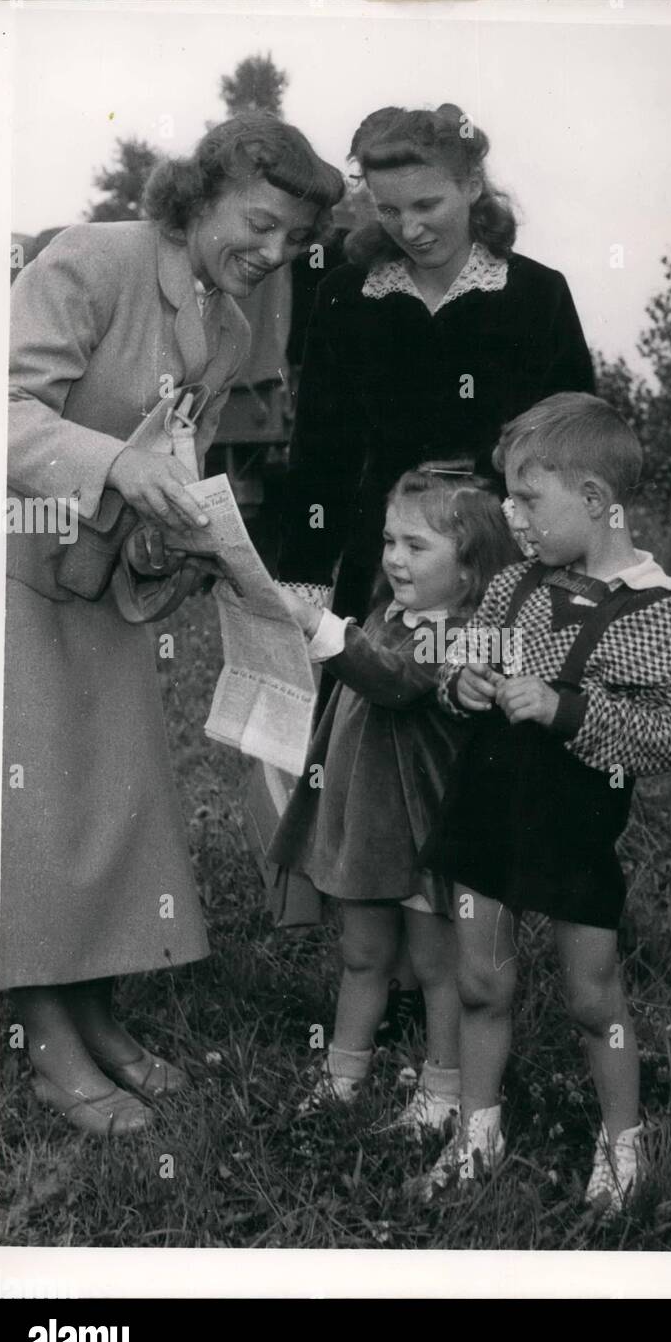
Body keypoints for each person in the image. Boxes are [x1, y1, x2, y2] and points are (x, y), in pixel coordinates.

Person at [3, 112, 343, 1137]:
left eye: (291, 239)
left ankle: (99, 1014)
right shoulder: (91, 259)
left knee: (112, 794)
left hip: (97, 583)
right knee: (38, 808)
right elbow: (0, 412)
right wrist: (118, 468)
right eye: (260, 223)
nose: (273, 253)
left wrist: (182, 539)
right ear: (199, 194)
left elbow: (173, 449)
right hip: (10, 576)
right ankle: (46, 1040)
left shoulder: (233, 323)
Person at [272, 101, 595, 998]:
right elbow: (321, 451)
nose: (407, 228)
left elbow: (571, 446)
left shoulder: (535, 294)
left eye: (428, 205)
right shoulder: (345, 296)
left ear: (471, 186)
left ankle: (478, 960)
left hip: (500, 567)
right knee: (375, 751)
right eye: (385, 209)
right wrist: (305, 574)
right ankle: (395, 966)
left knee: (476, 749)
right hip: (383, 562)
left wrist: (557, 571)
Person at [418, 393, 671, 1214]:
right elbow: (458, 667)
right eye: (507, 496)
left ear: (593, 501)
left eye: (527, 498)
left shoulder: (658, 613)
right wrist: (464, 684)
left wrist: (565, 708)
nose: (510, 516)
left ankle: (622, 1137)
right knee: (481, 983)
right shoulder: (514, 584)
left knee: (591, 995)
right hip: (483, 815)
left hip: (572, 830)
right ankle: (478, 1130)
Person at [269, 470, 519, 1132]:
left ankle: (441, 1089)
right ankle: (342, 1071)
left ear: (468, 572)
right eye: (387, 540)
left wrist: (323, 629)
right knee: (361, 954)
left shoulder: (462, 638)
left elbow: (395, 681)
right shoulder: (387, 614)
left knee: (438, 965)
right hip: (365, 826)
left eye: (415, 545)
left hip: (424, 828)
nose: (393, 558)